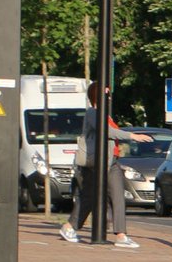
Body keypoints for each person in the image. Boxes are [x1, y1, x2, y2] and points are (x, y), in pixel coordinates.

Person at [61, 82, 150, 247]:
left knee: (116, 196)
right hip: (96, 162)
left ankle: (121, 235)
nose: (108, 97)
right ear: (97, 95)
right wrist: (132, 136)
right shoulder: (92, 113)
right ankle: (69, 226)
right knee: (89, 196)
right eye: (105, 94)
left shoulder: (103, 114)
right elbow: (106, 131)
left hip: (110, 161)